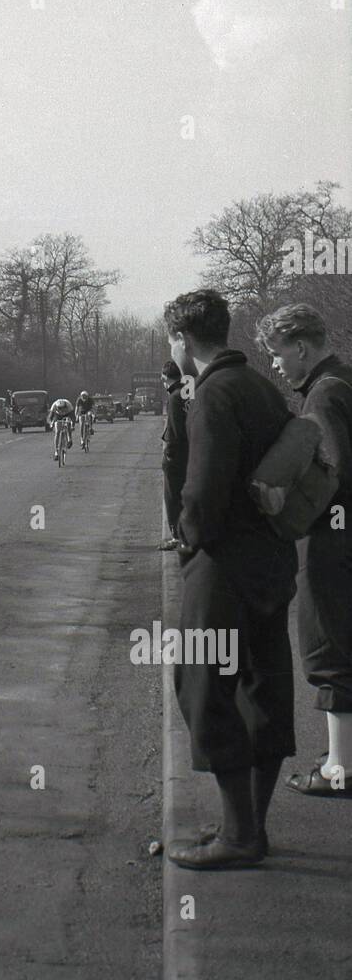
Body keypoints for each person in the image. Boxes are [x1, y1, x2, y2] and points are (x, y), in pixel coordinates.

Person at [163, 290, 298, 870]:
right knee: (261, 687)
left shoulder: (213, 392)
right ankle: (250, 826)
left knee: (203, 685)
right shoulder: (264, 387)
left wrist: (189, 536)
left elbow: (203, 488)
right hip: (272, 558)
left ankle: (239, 837)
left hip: (224, 564)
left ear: (181, 339)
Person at [257, 303, 352, 798]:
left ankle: (340, 768)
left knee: (328, 644)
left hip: (336, 538)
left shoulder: (325, 393)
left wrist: (286, 511)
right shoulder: (344, 381)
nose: (275, 365)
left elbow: (329, 472)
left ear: (301, 347)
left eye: (276, 354)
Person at [159, 359, 188, 551]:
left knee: (172, 496)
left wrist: (169, 453)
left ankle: (177, 536)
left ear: (165, 378)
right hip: (189, 452)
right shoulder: (187, 393)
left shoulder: (174, 397)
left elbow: (175, 430)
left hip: (176, 455)